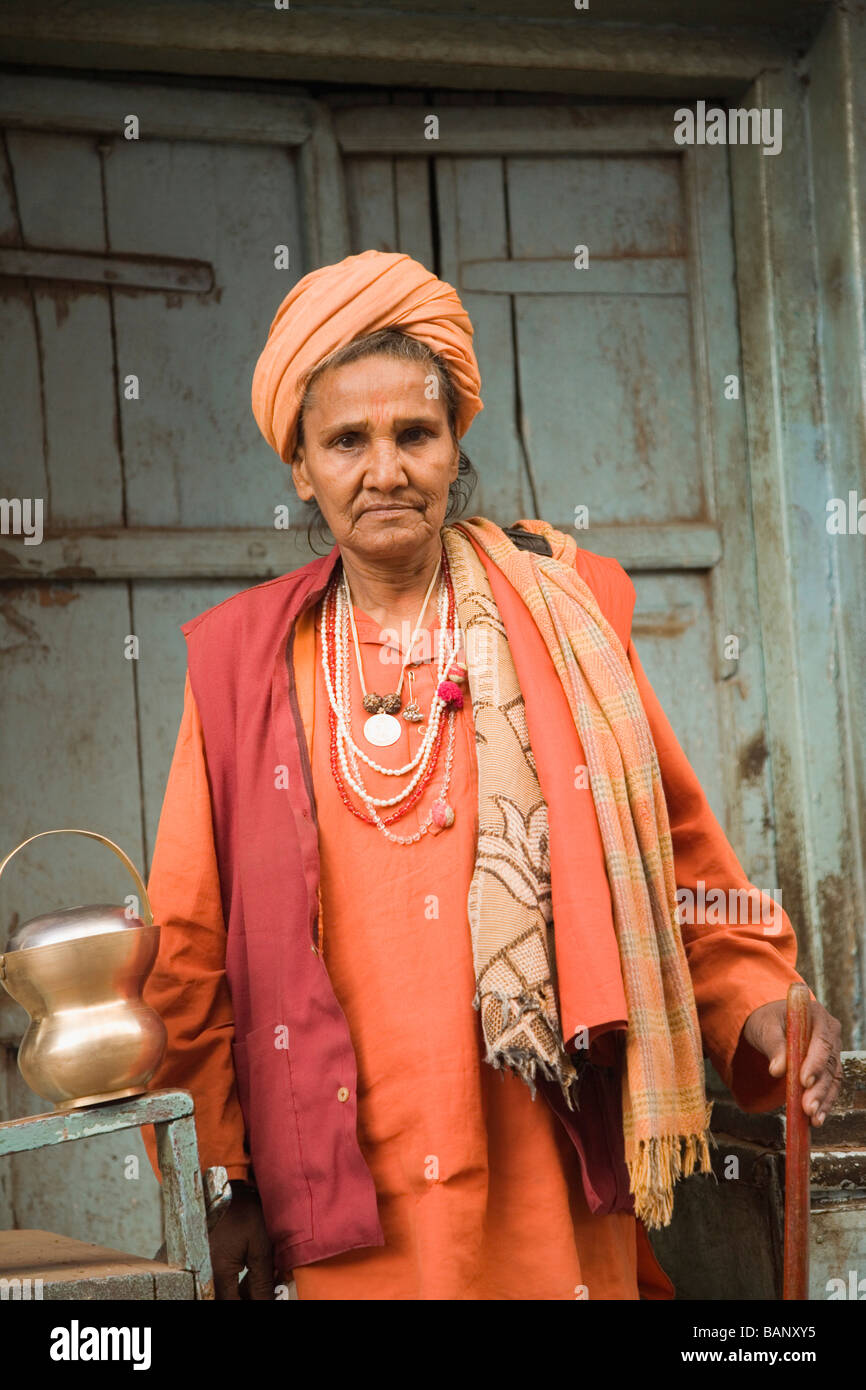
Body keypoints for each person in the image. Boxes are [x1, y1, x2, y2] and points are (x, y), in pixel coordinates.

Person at [141, 249, 842, 1301]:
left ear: (453, 440)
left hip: (547, 1161)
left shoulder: (557, 619)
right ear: (300, 464)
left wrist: (756, 999)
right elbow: (189, 951)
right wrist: (216, 1178)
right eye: (346, 440)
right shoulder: (243, 667)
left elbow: (676, 858)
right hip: (342, 1191)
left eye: (413, 433)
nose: (385, 469)